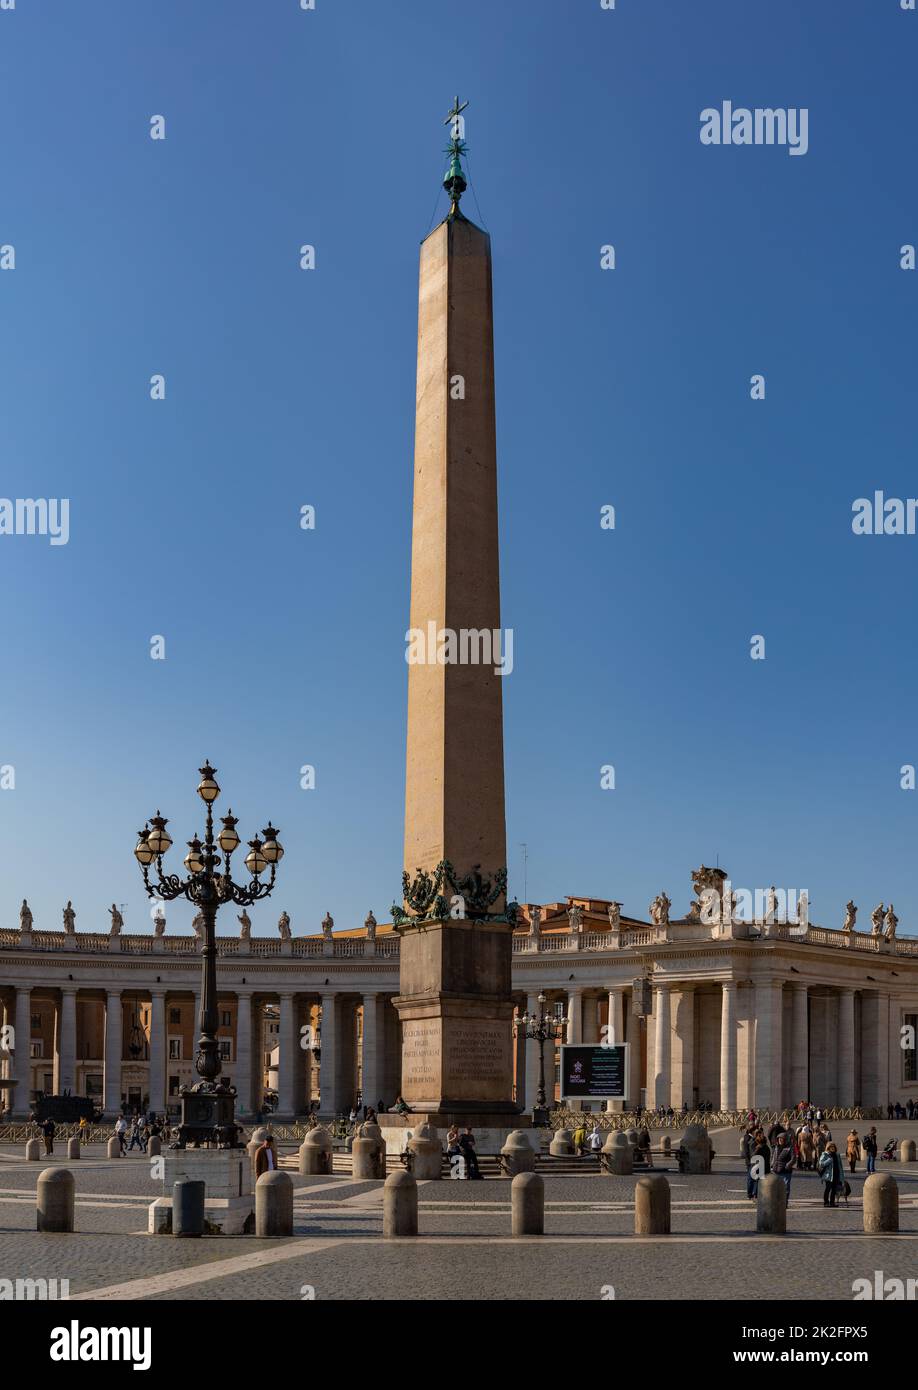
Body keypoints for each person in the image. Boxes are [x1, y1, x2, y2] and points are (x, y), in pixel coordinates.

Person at [818, 1141, 844, 1207]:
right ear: (828, 1148)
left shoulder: (837, 1155)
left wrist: (841, 1176)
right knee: (828, 1189)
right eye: (831, 1147)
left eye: (834, 1147)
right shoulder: (825, 1154)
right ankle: (826, 1202)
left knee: (834, 1190)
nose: (833, 1148)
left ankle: (832, 1202)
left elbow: (840, 1166)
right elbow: (821, 1164)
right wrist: (829, 1160)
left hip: (836, 1174)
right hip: (828, 1175)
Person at [772, 1131, 795, 1206]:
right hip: (776, 1170)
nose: (780, 1141)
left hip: (785, 1171)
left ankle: (785, 1203)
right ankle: (777, 1202)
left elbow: (793, 1158)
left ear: (785, 1140)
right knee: (776, 1188)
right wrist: (772, 1165)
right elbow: (774, 1157)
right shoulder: (776, 1147)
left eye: (782, 1139)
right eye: (779, 1139)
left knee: (785, 1188)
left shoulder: (789, 1147)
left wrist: (787, 1165)